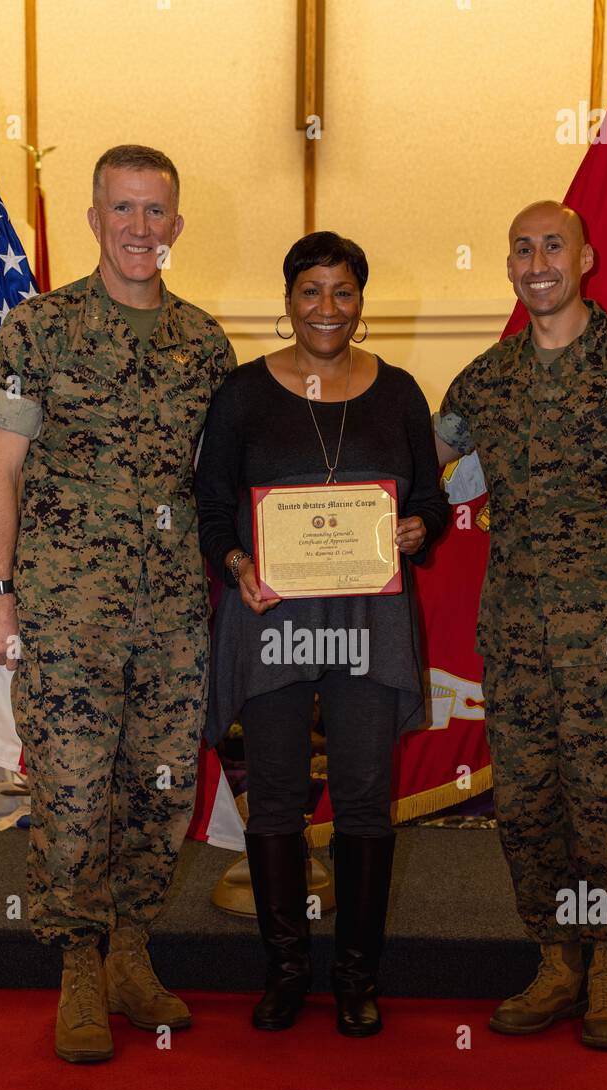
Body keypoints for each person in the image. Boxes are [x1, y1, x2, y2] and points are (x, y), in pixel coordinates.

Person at [0, 145, 235, 1063]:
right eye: (122, 208)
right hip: (63, 612)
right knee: (74, 793)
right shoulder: (36, 331)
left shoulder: (204, 345)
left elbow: (222, 482)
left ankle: (130, 950)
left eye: (154, 210)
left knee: (159, 791)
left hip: (171, 617)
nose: (138, 227)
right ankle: (78, 962)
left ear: (176, 224)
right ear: (94, 219)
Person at [435, 201, 607, 1050]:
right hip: (514, 634)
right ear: (508, 265)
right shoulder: (484, 380)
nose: (537, 261)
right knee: (523, 804)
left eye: (553, 246)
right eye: (522, 248)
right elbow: (415, 469)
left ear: (584, 259)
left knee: (603, 800)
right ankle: (554, 960)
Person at [195, 231, 449, 1037]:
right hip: (271, 617)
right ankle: (285, 971)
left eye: (343, 291)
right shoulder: (241, 394)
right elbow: (209, 505)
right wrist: (235, 560)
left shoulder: (398, 392)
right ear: (288, 300)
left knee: (365, 798)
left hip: (368, 620)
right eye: (311, 290)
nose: (327, 307)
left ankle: (354, 977)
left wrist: (418, 527)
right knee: (273, 796)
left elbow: (431, 500)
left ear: (360, 301)